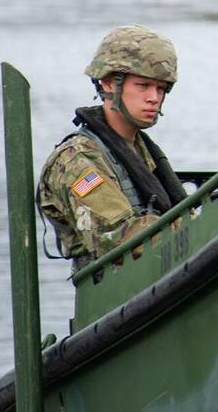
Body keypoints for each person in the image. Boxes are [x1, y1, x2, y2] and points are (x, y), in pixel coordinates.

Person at [37, 25, 188, 269]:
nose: (154, 97)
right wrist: (198, 226)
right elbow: (117, 238)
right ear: (108, 83)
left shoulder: (139, 150)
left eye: (161, 88)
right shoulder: (77, 159)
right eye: (143, 86)